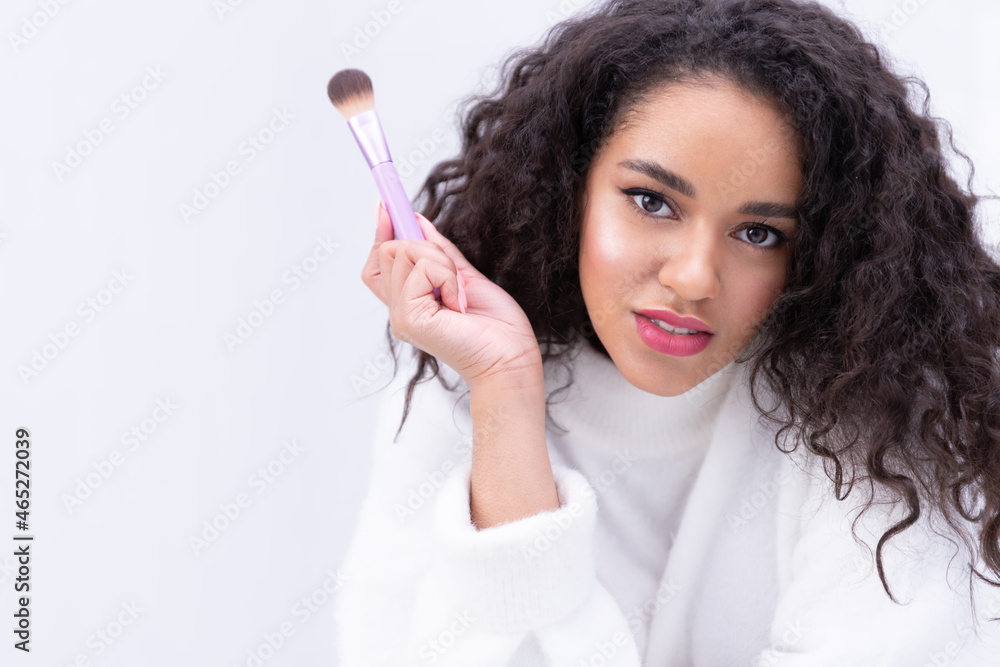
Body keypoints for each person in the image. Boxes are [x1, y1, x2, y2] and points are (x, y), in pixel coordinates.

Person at [333, 0, 1000, 664]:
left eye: (759, 233)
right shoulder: (457, 389)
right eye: (652, 202)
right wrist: (504, 395)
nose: (693, 278)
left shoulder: (873, 416)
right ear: (570, 188)